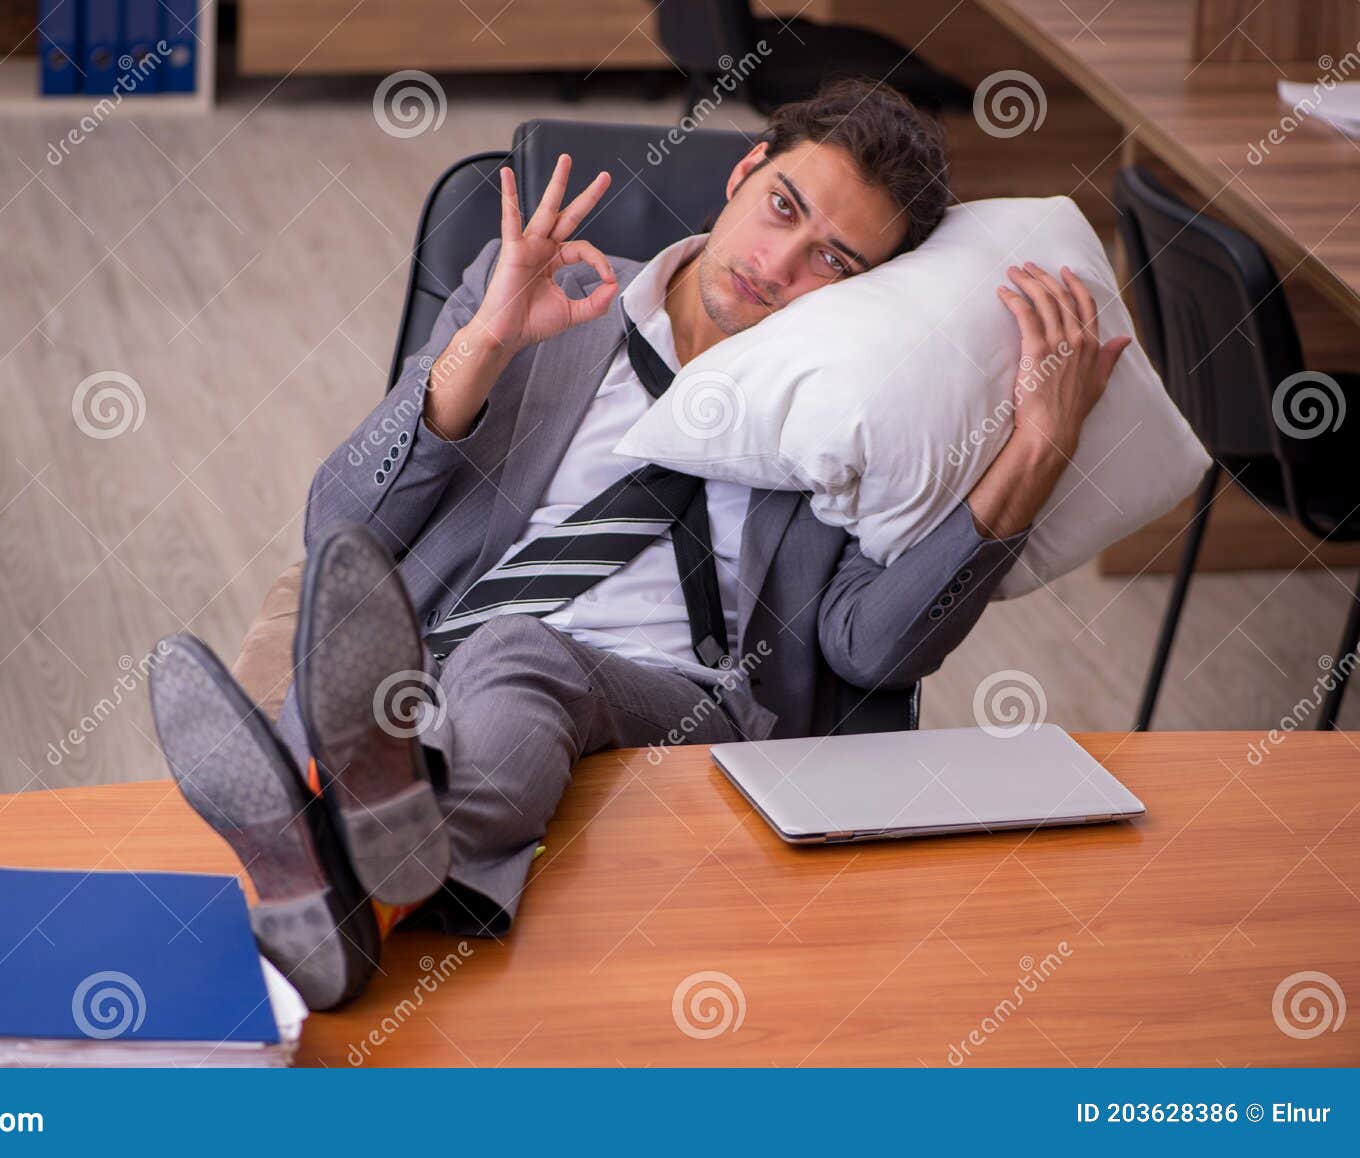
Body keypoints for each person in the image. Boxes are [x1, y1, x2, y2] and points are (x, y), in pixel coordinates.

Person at [147, 78, 1130, 1010]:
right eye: (784, 207)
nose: (781, 266)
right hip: (433, 659)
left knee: (517, 652)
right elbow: (341, 525)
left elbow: (871, 654)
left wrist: (1035, 451)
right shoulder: (541, 291)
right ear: (744, 174)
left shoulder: (857, 411)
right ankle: (371, 883)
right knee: (415, 647)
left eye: (834, 260)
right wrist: (483, 343)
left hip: (680, 700)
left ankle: (342, 820)